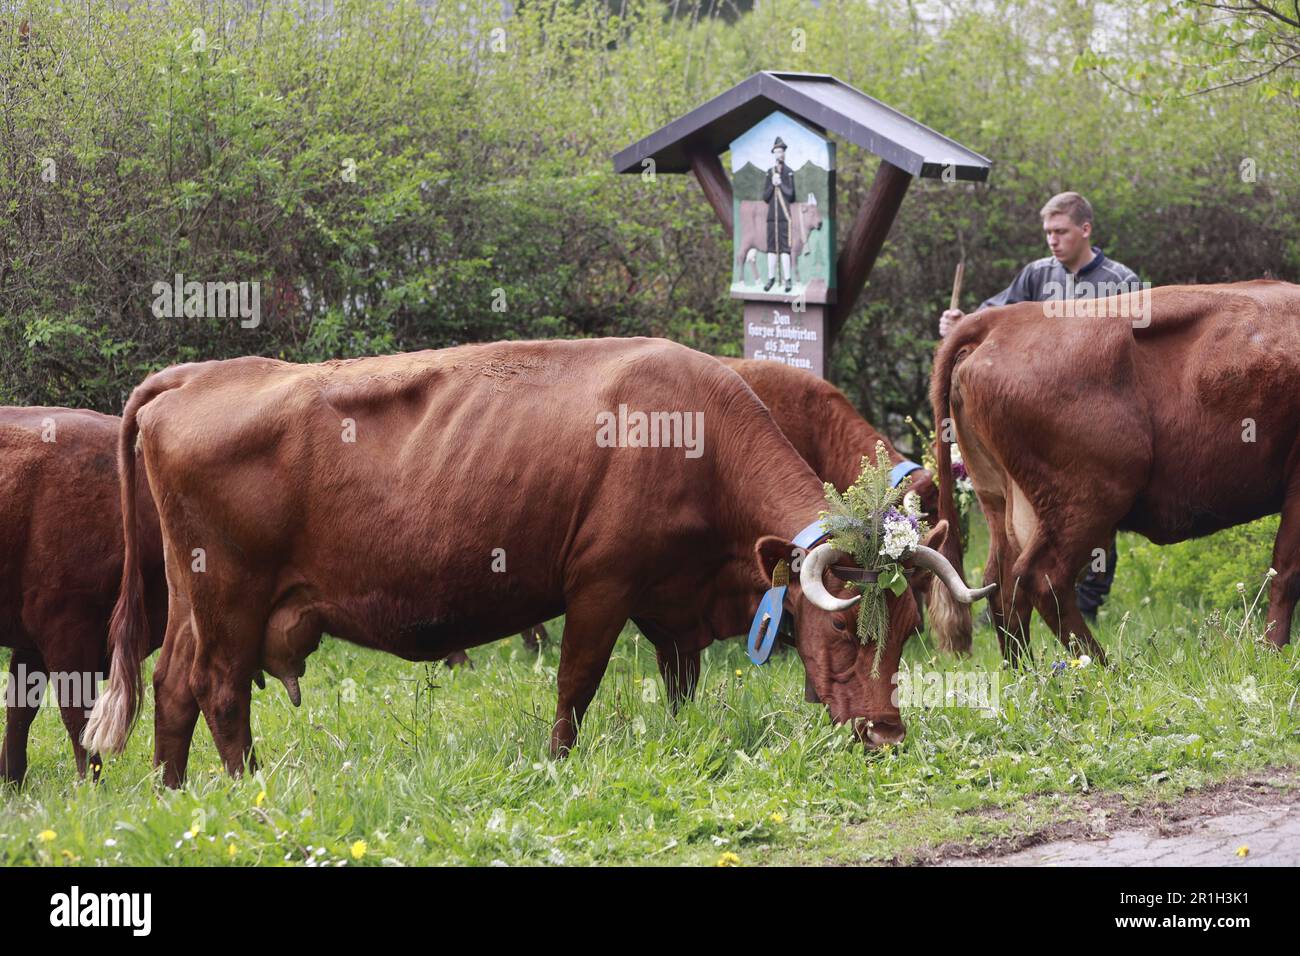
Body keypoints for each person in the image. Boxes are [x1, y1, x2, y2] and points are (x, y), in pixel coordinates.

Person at [938, 191, 1140, 621]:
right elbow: (996, 314)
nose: (1052, 240)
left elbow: (1145, 347)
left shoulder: (1120, 281)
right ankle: (1032, 593)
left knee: (1100, 511)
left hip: (1098, 411)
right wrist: (962, 323)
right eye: (1048, 232)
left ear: (1085, 230)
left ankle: (1088, 604)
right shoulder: (1036, 276)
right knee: (1037, 509)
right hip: (1044, 415)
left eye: (1061, 231)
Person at [762, 136, 796, 293]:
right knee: (771, 248)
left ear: (784, 153)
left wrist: (780, 183)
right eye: (776, 152)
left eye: (781, 151)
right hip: (772, 216)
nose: (779, 155)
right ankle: (771, 278)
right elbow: (765, 196)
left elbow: (791, 195)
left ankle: (787, 279)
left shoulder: (789, 173)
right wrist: (773, 184)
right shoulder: (770, 173)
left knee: (784, 249)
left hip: (784, 216)